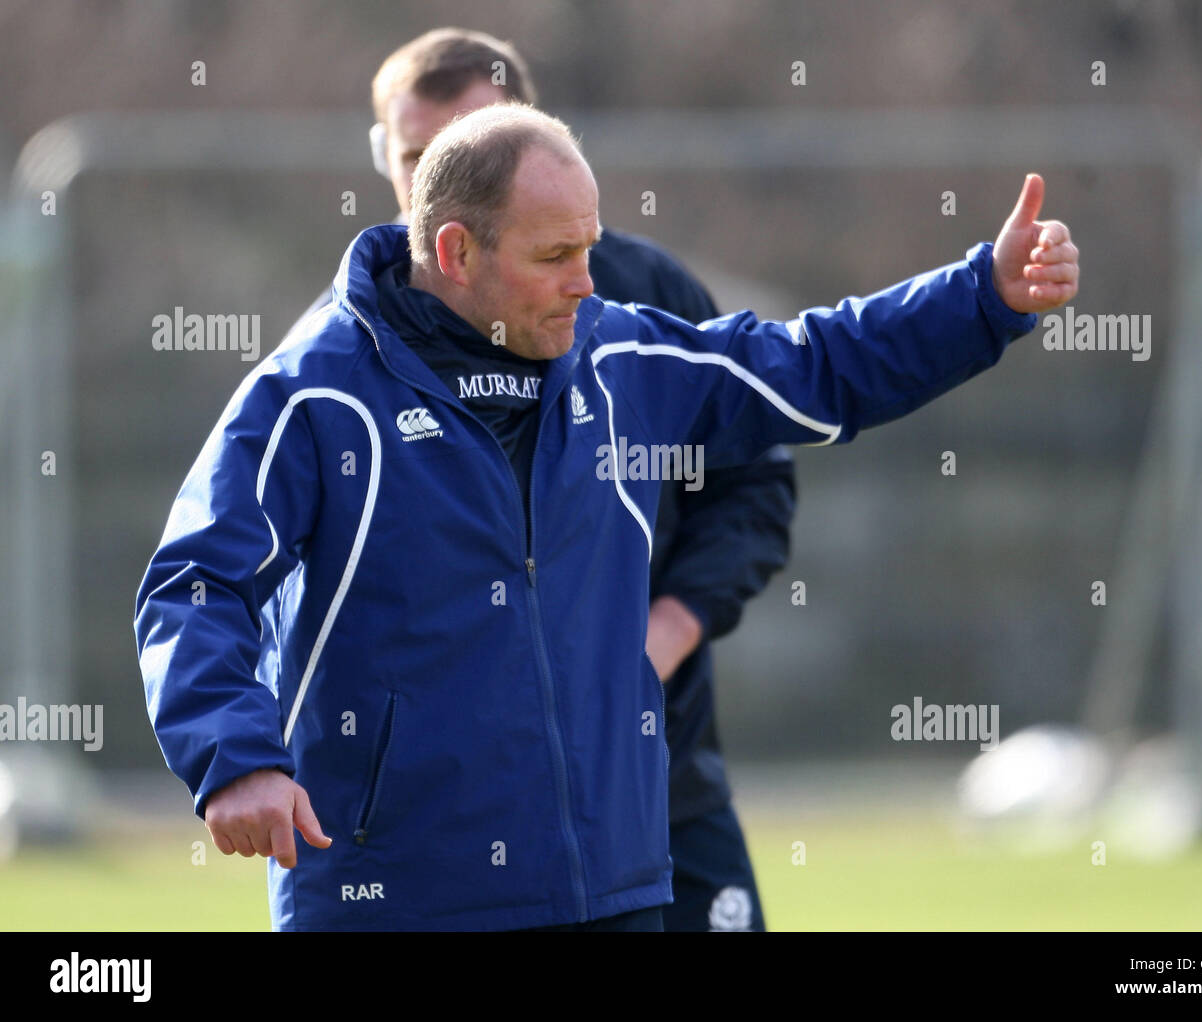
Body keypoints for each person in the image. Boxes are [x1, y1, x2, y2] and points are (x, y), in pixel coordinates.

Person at [134, 102, 1079, 932]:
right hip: (394, 896)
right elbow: (194, 583)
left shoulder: (619, 358)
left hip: (610, 889)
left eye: (589, 246)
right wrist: (234, 758)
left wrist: (981, 298)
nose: (588, 280)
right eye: (555, 256)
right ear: (457, 252)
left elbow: (812, 364)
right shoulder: (314, 397)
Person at [297, 27, 796, 931]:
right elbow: (233, 570)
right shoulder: (349, 352)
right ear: (384, 156)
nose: (450, 175)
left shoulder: (633, 296)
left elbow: (756, 486)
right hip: (478, 831)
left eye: (481, 141)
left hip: (663, 775)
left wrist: (659, 637)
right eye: (421, 154)